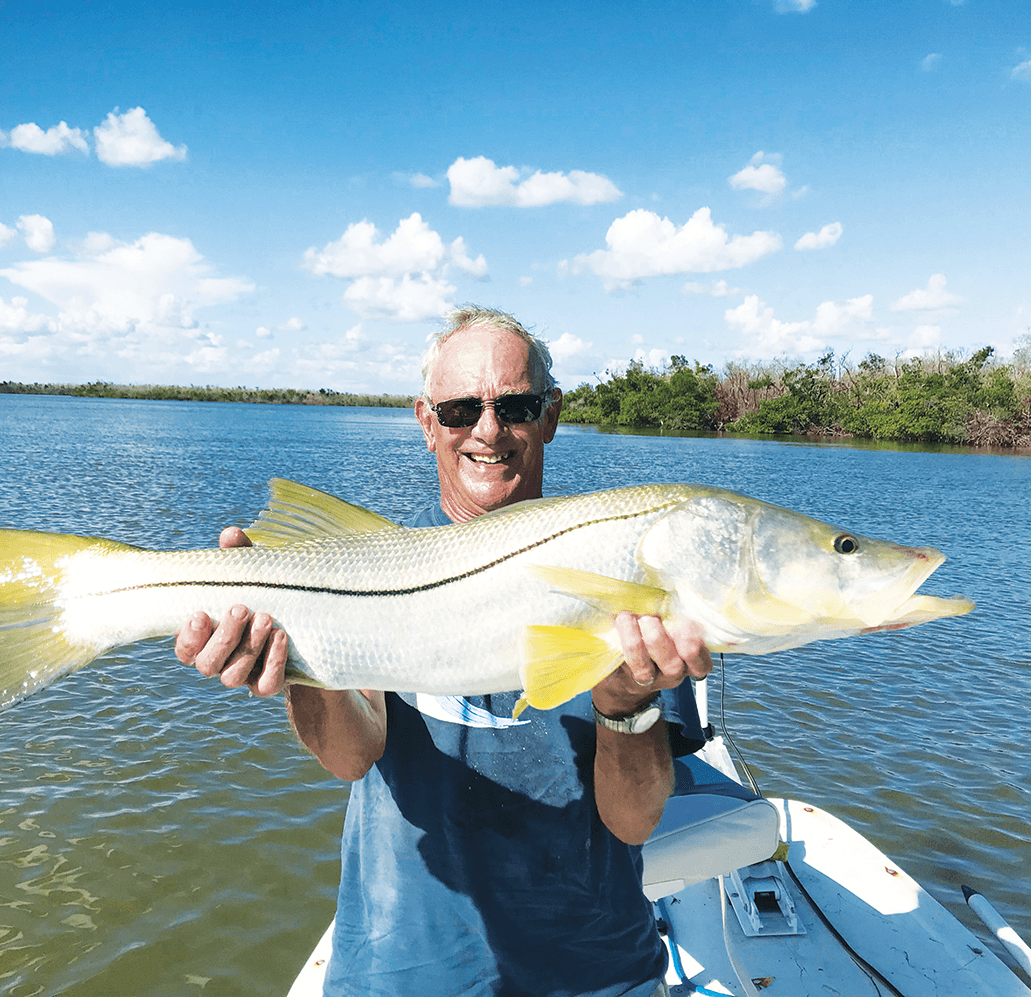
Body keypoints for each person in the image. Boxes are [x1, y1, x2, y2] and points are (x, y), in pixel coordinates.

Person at [175, 305, 713, 996]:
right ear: (428, 423)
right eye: (461, 409)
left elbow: (633, 819)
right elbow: (350, 753)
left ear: (549, 415)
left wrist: (626, 704)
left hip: (596, 974)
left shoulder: (627, 578)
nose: (488, 430)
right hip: (398, 975)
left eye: (514, 405)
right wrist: (298, 664)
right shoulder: (366, 568)